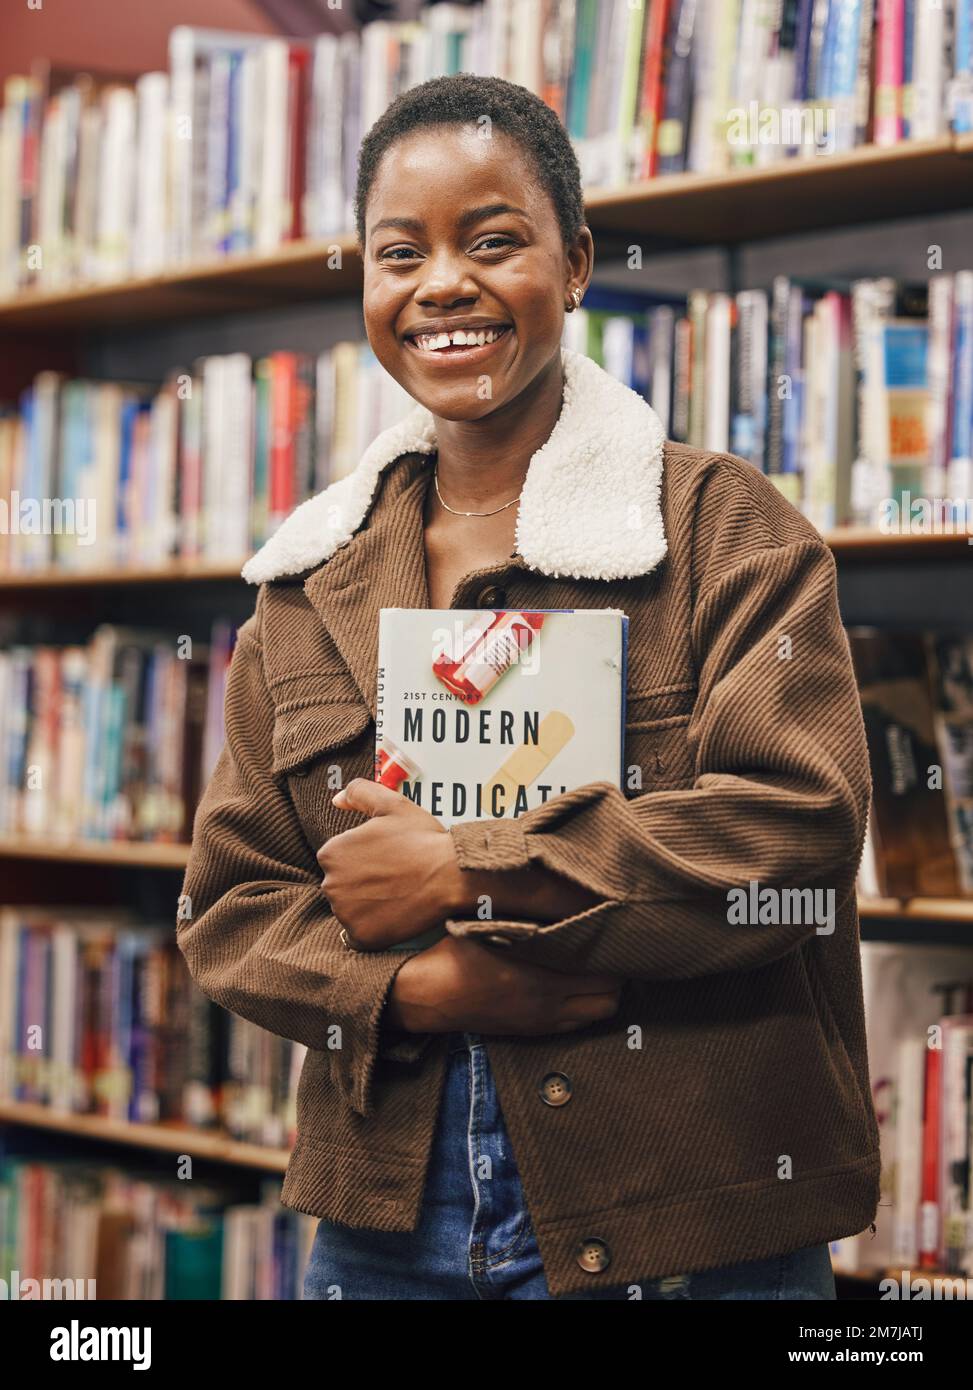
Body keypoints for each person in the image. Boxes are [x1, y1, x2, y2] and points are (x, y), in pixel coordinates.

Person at [177, 74, 881, 1301]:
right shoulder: (305, 585)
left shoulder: (725, 531)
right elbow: (231, 910)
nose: (442, 282)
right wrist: (409, 987)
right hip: (389, 1216)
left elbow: (795, 825)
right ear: (367, 286)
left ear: (576, 265)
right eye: (402, 252)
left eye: (492, 240)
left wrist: (474, 868)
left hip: (684, 1204)